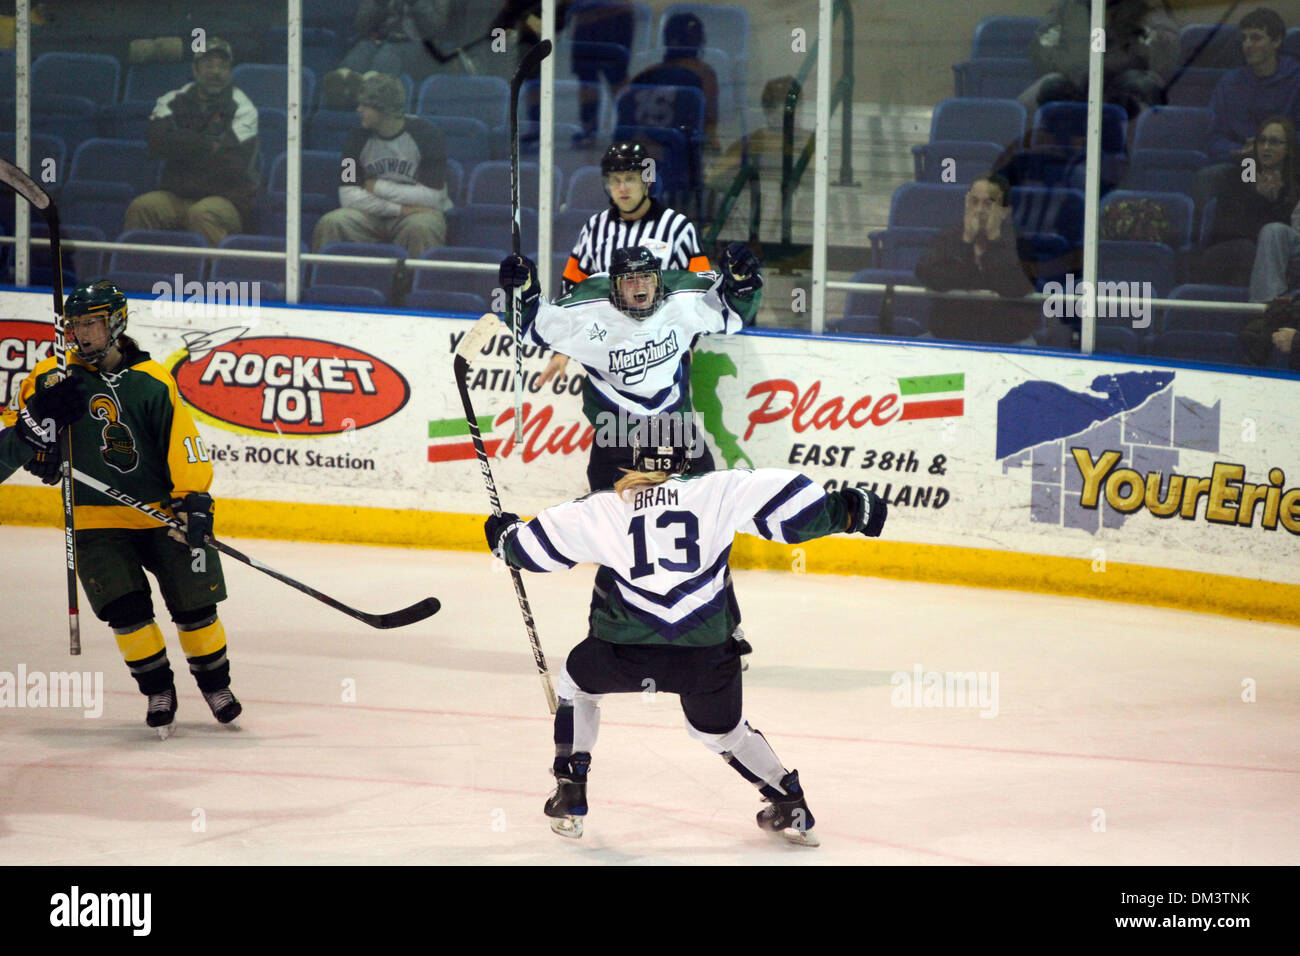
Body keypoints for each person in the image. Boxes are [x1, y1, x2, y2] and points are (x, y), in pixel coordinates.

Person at [482, 430, 888, 844]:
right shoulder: (720, 489)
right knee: (723, 733)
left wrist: (504, 536)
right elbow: (797, 513)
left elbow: (532, 552)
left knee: (577, 685)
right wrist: (849, 513)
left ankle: (571, 788)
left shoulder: (603, 507)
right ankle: (790, 804)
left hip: (624, 655)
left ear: (635, 461)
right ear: (685, 462)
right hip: (706, 659)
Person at [1, 280, 241, 738]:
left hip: (159, 514)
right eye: (75, 325)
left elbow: (183, 444)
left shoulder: (151, 380)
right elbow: (19, 439)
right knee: (126, 611)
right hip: (95, 516)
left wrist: (195, 500)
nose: (83, 335)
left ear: (115, 322)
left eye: (92, 323)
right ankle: (157, 691)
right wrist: (40, 445)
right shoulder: (51, 378)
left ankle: (216, 686)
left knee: (196, 607)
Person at [501, 240, 759, 492]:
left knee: (710, 502)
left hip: (675, 428)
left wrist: (743, 283)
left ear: (658, 279)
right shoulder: (585, 311)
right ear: (614, 286)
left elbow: (733, 313)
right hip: (615, 436)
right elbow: (530, 325)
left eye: (646, 277)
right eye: (630, 280)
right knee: (610, 522)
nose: (640, 285)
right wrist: (523, 290)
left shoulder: (682, 297)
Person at [542, 140, 713, 388]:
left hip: (662, 354)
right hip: (607, 358)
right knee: (610, 425)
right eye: (615, 180)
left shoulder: (678, 228)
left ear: (647, 181)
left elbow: (702, 292)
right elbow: (573, 289)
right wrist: (563, 349)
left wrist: (690, 343)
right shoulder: (595, 228)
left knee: (668, 426)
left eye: (630, 179)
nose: (622, 188)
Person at [124, 37, 259, 246]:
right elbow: (157, 143)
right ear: (195, 69)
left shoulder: (243, 108)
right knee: (143, 207)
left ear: (230, 71)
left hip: (226, 199)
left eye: (222, 66)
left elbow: (231, 165)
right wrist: (208, 143)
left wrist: (181, 141)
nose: (215, 72)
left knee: (202, 214)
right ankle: (136, 274)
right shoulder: (172, 99)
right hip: (177, 195)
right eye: (208, 65)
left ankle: (215, 276)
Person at [311, 73, 452, 259]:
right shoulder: (355, 138)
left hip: (418, 215)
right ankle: (326, 285)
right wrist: (401, 209)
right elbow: (347, 195)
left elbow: (433, 197)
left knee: (422, 227)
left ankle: (414, 287)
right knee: (332, 222)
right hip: (375, 214)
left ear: (384, 110)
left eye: (365, 106)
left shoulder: (428, 135)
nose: (359, 110)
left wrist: (377, 186)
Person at [913, 175, 1038, 345]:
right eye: (974, 201)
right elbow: (929, 276)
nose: (979, 210)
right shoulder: (948, 237)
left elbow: (1015, 287)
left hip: (1008, 340)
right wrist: (966, 241)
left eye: (988, 203)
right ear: (966, 202)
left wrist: (994, 240)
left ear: (1005, 209)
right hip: (949, 336)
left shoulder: (1021, 242)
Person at [1019, 0, 1178, 122]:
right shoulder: (1069, 6)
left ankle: (1131, 158)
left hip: (1128, 81)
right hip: (1074, 80)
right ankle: (1038, 158)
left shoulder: (1147, 6)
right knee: (1032, 99)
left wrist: (1116, 64)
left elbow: (1164, 57)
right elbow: (1040, 50)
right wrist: (1077, 72)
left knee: (1144, 90)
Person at [1198, 116, 1300, 288]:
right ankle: (1265, 307)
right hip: (1229, 248)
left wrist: (1274, 203)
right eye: (1262, 141)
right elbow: (1232, 228)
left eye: (1274, 142)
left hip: (1271, 251)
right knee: (1249, 250)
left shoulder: (1294, 183)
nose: (1266, 147)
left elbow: (1289, 234)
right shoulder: (1240, 175)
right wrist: (1261, 199)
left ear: (1288, 149)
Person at [1206, 8, 1300, 163]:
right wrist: (1237, 151)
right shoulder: (1229, 83)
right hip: (1245, 164)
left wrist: (1272, 147)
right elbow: (1215, 137)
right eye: (1244, 38)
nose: (1247, 44)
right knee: (1210, 178)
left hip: (1289, 163)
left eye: (1256, 38)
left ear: (1276, 41)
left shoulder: (1296, 79)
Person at [626, 11, 719, 152]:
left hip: (637, 157)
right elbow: (709, 121)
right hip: (675, 158)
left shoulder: (645, 74)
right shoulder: (704, 73)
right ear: (699, 42)